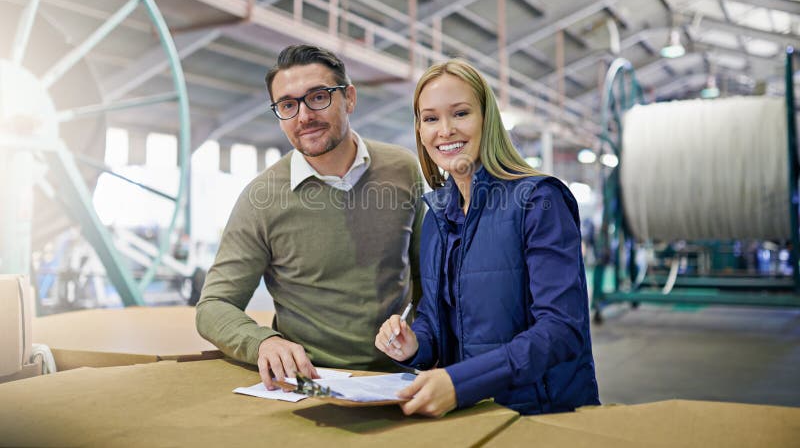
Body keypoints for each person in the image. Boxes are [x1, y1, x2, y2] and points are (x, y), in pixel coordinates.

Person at [375, 59, 600, 417]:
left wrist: (460, 382)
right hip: (468, 413)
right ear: (419, 130)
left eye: (460, 113)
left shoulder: (538, 200)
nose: (445, 130)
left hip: (542, 415)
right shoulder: (436, 215)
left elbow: (561, 330)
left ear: (486, 119)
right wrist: (415, 343)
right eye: (430, 118)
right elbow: (435, 319)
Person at [197, 44, 423, 389]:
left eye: (318, 97)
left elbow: (428, 275)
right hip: (311, 380)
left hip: (400, 374)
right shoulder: (262, 198)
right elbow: (214, 305)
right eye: (288, 105)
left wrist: (428, 343)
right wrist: (264, 342)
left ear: (349, 98)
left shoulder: (402, 168)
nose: (304, 117)